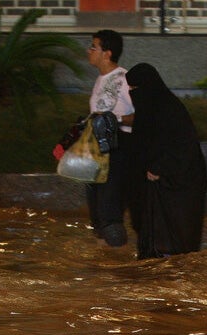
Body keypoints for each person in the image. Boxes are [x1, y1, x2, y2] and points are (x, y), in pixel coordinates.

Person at [124, 63, 207, 259]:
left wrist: (160, 166)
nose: (133, 95)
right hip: (158, 189)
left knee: (176, 247)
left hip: (180, 187)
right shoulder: (152, 110)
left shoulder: (169, 110)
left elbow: (183, 146)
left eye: (135, 90)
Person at [85, 29, 135, 247]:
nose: (89, 51)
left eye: (94, 46)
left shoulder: (124, 79)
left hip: (118, 148)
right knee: (96, 208)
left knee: (110, 210)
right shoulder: (100, 79)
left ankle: (121, 269)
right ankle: (103, 262)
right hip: (98, 147)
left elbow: (141, 115)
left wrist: (115, 120)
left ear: (107, 53)